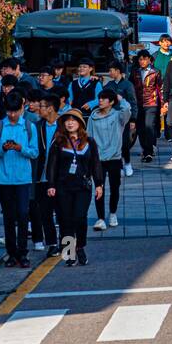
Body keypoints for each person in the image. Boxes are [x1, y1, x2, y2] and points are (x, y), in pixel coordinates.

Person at [46, 111, 103, 267]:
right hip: (63, 187)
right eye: (67, 121)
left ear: (80, 123)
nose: (70, 123)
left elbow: (96, 164)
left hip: (83, 187)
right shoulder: (58, 142)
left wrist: (99, 184)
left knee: (79, 217)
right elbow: (52, 165)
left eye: (74, 120)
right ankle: (69, 253)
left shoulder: (89, 142)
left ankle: (80, 246)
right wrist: (51, 185)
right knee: (65, 219)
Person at [0, 89, 39, 269]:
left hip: (23, 179)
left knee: (23, 215)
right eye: (9, 111)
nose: (12, 115)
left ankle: (23, 252)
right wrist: (3, 148)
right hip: (4, 179)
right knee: (9, 217)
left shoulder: (28, 126)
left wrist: (20, 148)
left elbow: (34, 153)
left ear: (22, 108)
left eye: (15, 111)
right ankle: (11, 254)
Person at [88, 87, 131, 229]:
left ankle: (113, 213)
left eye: (104, 98)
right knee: (99, 188)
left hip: (114, 158)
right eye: (99, 98)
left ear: (111, 102)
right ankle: (100, 218)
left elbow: (127, 110)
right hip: (98, 158)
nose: (100, 100)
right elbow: (89, 137)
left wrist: (121, 98)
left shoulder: (118, 116)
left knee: (115, 187)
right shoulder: (93, 117)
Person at [30, 92, 61, 256]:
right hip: (42, 176)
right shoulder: (37, 126)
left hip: (60, 178)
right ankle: (52, 244)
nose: (38, 108)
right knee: (45, 213)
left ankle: (68, 247)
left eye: (41, 106)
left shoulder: (65, 125)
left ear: (50, 109)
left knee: (64, 213)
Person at [131, 49, 163, 162]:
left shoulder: (156, 72)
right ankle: (145, 149)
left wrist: (163, 104)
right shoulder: (134, 72)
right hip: (138, 104)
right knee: (140, 129)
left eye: (145, 59)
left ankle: (149, 152)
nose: (142, 61)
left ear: (149, 60)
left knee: (149, 126)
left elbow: (160, 89)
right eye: (140, 59)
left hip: (151, 103)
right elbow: (131, 88)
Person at [108, 60, 138, 175]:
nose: (109, 73)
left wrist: (133, 119)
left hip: (124, 118)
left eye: (111, 70)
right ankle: (119, 165)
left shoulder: (127, 85)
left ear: (118, 71)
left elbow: (133, 102)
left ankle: (128, 163)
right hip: (111, 118)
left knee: (125, 142)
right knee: (115, 143)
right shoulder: (109, 85)